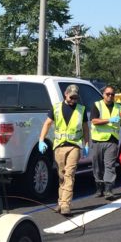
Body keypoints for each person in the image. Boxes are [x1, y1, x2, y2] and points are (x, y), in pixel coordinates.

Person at [37, 84, 90, 215]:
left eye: (76, 98)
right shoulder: (56, 108)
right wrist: (41, 140)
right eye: (71, 97)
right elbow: (47, 124)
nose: (73, 100)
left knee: (69, 174)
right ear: (66, 94)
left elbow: (85, 128)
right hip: (59, 146)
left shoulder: (81, 110)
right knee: (61, 175)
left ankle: (66, 204)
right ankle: (60, 202)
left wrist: (87, 144)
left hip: (74, 145)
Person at [90, 84, 121, 198]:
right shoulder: (97, 105)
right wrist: (109, 120)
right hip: (98, 140)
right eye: (107, 94)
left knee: (110, 165)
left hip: (112, 140)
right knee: (98, 166)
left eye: (112, 94)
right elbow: (94, 121)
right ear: (103, 95)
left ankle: (109, 189)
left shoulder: (119, 107)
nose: (110, 96)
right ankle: (99, 188)